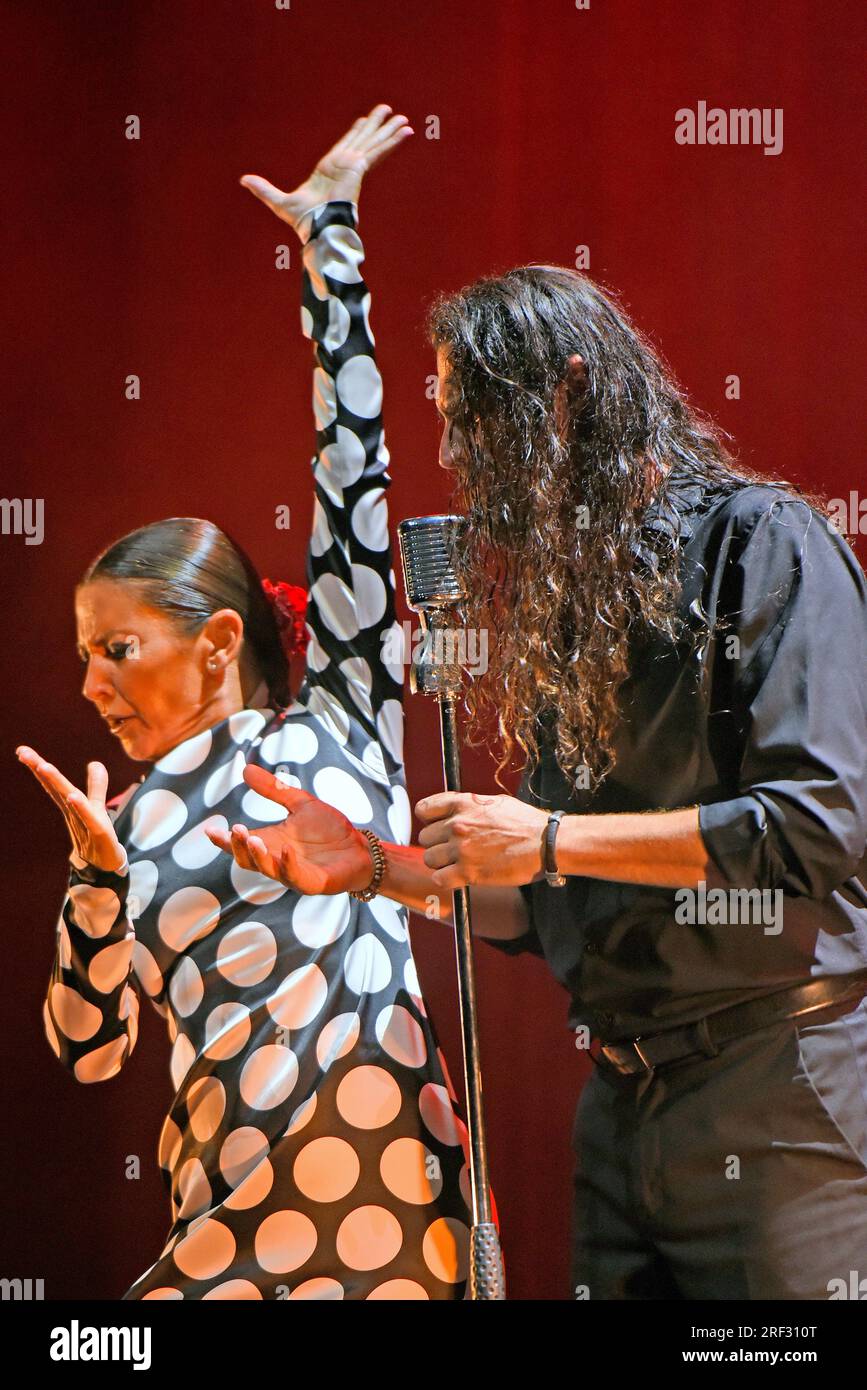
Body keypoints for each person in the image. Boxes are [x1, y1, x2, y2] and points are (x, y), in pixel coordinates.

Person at [222, 261, 867, 1300]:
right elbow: (549, 899)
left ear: (568, 395)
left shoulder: (762, 543)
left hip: (779, 1086)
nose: (451, 454)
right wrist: (380, 867)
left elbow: (815, 824)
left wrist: (554, 839)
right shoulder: (580, 608)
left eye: (472, 418)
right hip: (621, 1108)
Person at [18, 105, 475, 1302]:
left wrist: (330, 246)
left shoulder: (334, 717)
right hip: (219, 1234)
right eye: (82, 655)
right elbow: (87, 1048)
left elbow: (352, 466)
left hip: (390, 1218)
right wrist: (93, 887)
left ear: (219, 639)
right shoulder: (124, 824)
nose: (89, 682)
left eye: (116, 646)